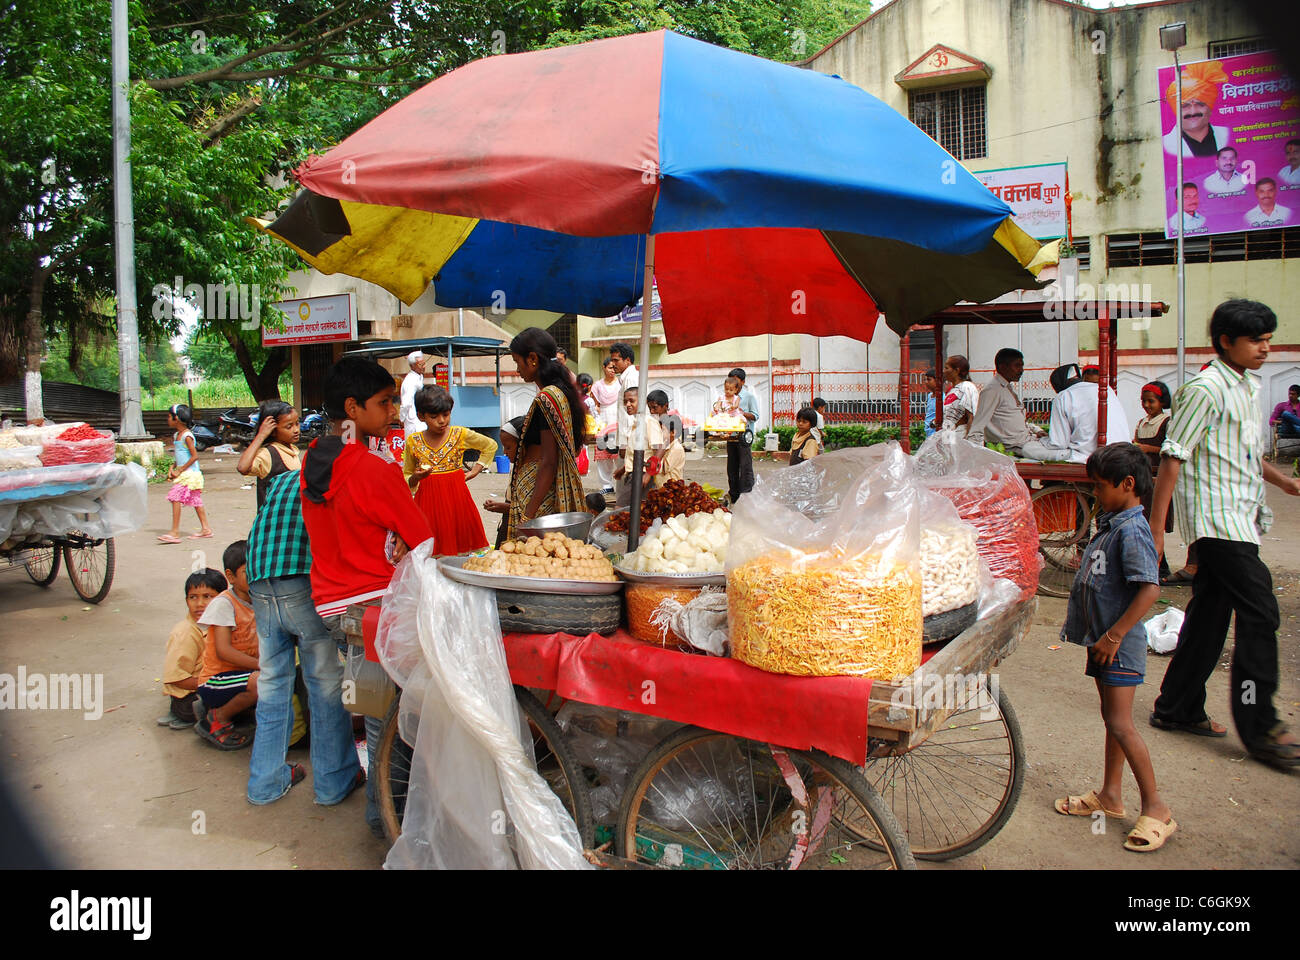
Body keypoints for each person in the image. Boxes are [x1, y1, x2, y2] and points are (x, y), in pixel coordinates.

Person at [1148, 299, 1300, 770]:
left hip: (1240, 516)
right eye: (1256, 340)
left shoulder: (1247, 386)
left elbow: (1245, 453)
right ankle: (1261, 726)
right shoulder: (1206, 389)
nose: (1265, 348)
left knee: (1211, 614)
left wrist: (1285, 482)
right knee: (1261, 610)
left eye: (1268, 339)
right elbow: (1173, 456)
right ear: (1225, 342)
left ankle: (1175, 707)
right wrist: (1156, 531)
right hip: (1216, 522)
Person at [301, 355, 434, 836]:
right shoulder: (372, 467)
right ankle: (387, 820)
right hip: (374, 605)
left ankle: (382, 813)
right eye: (383, 404)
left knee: (370, 708)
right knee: (386, 719)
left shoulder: (314, 460)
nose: (393, 412)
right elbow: (421, 536)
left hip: (333, 607)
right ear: (353, 408)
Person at [1056, 443, 1174, 852]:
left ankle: (1157, 808)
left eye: (1100, 486)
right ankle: (1110, 794)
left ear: (1127, 485)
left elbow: (1150, 590)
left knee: (1122, 724)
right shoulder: (1111, 522)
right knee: (1112, 720)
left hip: (1117, 645)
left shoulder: (1132, 531)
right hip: (1103, 643)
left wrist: (1114, 635)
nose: (1095, 494)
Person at [246, 468, 363, 806]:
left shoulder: (283, 480)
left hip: (260, 580)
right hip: (301, 581)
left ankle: (264, 785)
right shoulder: (338, 479)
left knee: (272, 684)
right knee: (324, 684)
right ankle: (333, 782)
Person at [506, 328, 587, 539]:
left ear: (532, 359)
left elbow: (549, 461)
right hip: (542, 490)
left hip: (537, 493)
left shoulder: (547, 398)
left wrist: (528, 516)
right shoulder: (561, 393)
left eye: (517, 362)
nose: (517, 370)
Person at [403, 386, 496, 556]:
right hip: (427, 505)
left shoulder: (459, 434)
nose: (441, 421)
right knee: (430, 555)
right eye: (434, 416)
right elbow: (406, 474)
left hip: (457, 502)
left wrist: (475, 470)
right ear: (421, 416)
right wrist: (416, 477)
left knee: (459, 552)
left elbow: (490, 446)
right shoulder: (413, 442)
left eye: (446, 415)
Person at [194, 541, 259, 751]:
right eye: (247, 572)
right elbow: (224, 651)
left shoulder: (261, 600)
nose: (256, 575)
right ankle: (216, 718)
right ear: (230, 576)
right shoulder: (224, 603)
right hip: (215, 681)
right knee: (263, 681)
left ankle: (241, 710)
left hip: (243, 675)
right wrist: (262, 664)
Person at [966, 348, 1072, 461]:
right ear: (1002, 367)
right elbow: (977, 428)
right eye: (1017, 366)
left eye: (1022, 366)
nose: (1021, 370)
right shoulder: (992, 391)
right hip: (1016, 448)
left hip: (1028, 442)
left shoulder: (1007, 388)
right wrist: (975, 458)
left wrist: (1037, 430)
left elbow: (1015, 420)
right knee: (1064, 455)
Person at [157, 568, 226, 730]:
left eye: (207, 597)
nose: (199, 604)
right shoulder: (185, 633)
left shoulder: (220, 624)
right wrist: (215, 686)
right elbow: (176, 678)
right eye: (193, 597)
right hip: (188, 700)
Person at [1048, 366, 1131, 464]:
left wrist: (1042, 440)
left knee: (1028, 449)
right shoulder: (1108, 390)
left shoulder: (1063, 396)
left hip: (1090, 456)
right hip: (1124, 452)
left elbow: (1059, 443)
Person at [1133, 381, 1174, 581]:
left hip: (1158, 478)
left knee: (1154, 523)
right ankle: (1156, 564)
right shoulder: (1141, 423)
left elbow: (1170, 451)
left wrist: (1148, 449)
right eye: (1144, 401)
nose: (1147, 405)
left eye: (1151, 401)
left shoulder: (1167, 422)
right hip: (1144, 478)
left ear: (1161, 401)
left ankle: (1161, 567)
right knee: (1145, 521)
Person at [158, 404, 213, 543]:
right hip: (186, 473)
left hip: (191, 474)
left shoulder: (187, 436)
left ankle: (175, 532)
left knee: (175, 497)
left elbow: (194, 456)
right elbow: (180, 456)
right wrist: (173, 467)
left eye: (169, 416)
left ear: (177, 418)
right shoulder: (177, 435)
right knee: (196, 501)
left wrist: (180, 470)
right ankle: (206, 529)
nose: (168, 419)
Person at [236, 399, 301, 509]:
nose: (296, 430)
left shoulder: (292, 450)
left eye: (297, 424)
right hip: (272, 521)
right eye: (289, 426)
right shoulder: (268, 454)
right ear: (273, 430)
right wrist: (261, 435)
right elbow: (243, 467)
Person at [1161, 61, 1230, 157]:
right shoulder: (1165, 144)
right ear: (1175, 111)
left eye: (1200, 104)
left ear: (1210, 109)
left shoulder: (1227, 135)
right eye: (1185, 106)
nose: (1193, 112)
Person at [614, 386, 665, 507]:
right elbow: (636, 452)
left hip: (641, 474)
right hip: (633, 473)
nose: (628, 404)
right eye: (625, 401)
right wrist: (623, 469)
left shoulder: (648, 421)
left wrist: (648, 475)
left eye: (632, 401)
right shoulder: (636, 423)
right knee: (635, 512)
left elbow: (660, 449)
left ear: (641, 401)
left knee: (620, 510)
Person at [484, 416, 526, 548]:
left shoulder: (530, 472)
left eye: (508, 447)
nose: (504, 452)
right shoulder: (517, 467)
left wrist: (506, 508)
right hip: (507, 525)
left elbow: (531, 509)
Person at [727, 367, 760, 503]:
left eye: (736, 380)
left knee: (745, 467)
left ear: (743, 381)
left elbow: (755, 416)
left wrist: (741, 412)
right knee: (732, 468)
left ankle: (747, 496)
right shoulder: (727, 397)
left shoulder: (749, 397)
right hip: (731, 437)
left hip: (744, 438)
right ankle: (734, 495)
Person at [591, 357, 622, 494]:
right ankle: (606, 485)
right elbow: (594, 405)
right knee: (603, 456)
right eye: (610, 367)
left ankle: (622, 483)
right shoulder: (597, 386)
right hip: (603, 422)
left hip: (617, 421)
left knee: (619, 454)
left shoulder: (620, 383)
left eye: (614, 368)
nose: (612, 371)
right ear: (603, 368)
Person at [647, 389, 685, 483]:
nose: (652, 412)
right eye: (649, 408)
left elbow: (663, 467)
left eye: (655, 408)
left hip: (670, 486)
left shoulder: (676, 446)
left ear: (666, 406)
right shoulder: (652, 423)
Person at [941, 355, 978, 434]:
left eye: (946, 368)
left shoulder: (967, 387)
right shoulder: (951, 391)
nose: (943, 371)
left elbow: (972, 417)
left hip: (961, 439)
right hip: (949, 439)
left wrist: (969, 442)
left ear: (956, 370)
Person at [398, 350, 428, 439]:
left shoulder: (419, 377)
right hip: (413, 423)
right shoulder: (410, 381)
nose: (424, 367)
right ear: (412, 366)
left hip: (421, 421)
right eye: (421, 365)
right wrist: (402, 418)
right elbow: (406, 403)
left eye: (424, 364)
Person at [922, 370, 939, 438]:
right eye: (925, 380)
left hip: (935, 433)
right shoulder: (929, 395)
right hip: (928, 432)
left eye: (929, 380)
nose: (926, 382)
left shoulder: (943, 398)